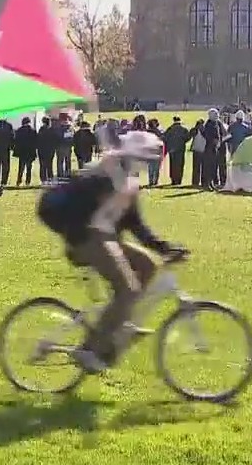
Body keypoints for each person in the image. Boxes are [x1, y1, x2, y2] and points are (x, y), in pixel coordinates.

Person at [36, 129, 187, 373]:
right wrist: (80, 240)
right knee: (128, 288)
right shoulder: (104, 175)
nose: (147, 165)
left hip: (103, 236)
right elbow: (75, 209)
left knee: (148, 265)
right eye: (146, 159)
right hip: (85, 238)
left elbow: (136, 225)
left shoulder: (128, 181)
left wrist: (164, 248)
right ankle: (89, 349)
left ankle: (120, 321)